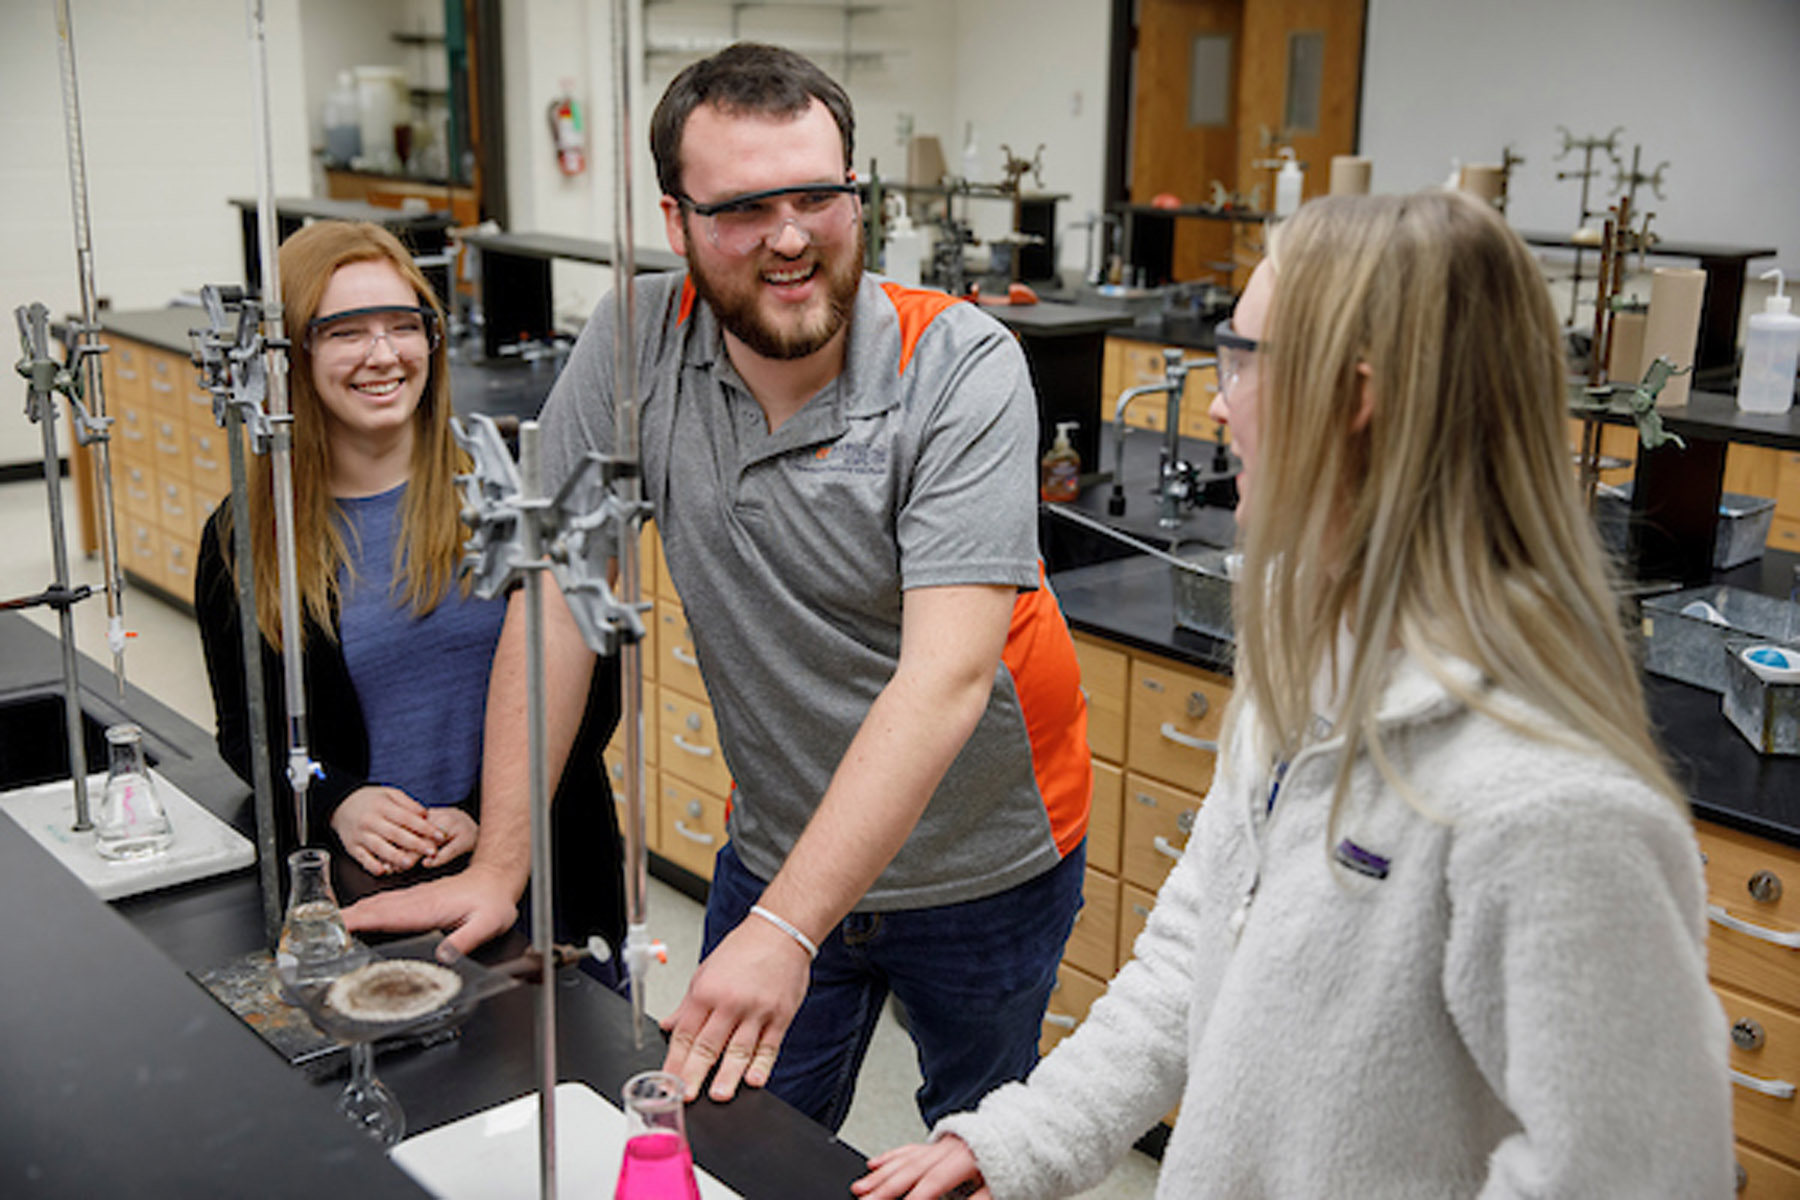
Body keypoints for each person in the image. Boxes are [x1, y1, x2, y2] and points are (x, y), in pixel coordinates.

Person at [857, 192, 1735, 1199]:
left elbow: (1642, 1178)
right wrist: (1022, 1140)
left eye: (1242, 360)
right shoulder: (1314, 666)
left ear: (1353, 397)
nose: (1218, 404)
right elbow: (1194, 949)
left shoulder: (1549, 800)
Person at [353, 41, 1091, 1131]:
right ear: (677, 220)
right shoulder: (633, 344)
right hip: (780, 837)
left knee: (974, 1146)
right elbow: (558, 596)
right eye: (745, 207)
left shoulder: (958, 366)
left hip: (984, 860)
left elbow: (944, 679)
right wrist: (501, 866)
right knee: (733, 1145)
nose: (791, 238)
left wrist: (785, 932)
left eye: (818, 196)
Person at [195, 220, 627, 975]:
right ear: (290, 353)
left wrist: (488, 820)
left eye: (403, 325)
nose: (383, 353)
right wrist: (338, 800)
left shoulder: (509, 491)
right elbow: (246, 732)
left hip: (545, 872)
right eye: (344, 331)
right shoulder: (248, 535)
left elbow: (594, 693)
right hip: (376, 888)